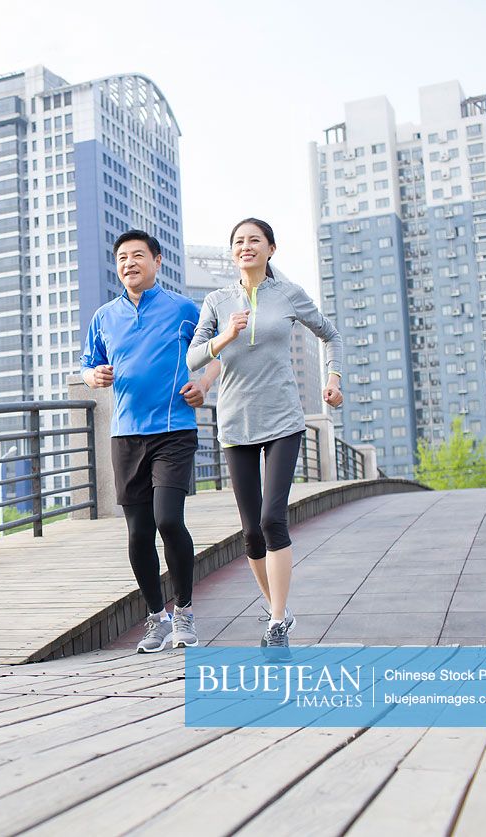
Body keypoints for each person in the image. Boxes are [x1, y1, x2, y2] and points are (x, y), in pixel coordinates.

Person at [186, 218, 343, 659]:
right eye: (238, 241)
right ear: (231, 252)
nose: (246, 246)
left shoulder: (288, 294)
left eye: (254, 240)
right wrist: (225, 335)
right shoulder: (217, 301)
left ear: (271, 248)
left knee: (274, 519)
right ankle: (279, 608)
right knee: (251, 531)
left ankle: (275, 623)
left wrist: (333, 378)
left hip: (283, 422)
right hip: (236, 426)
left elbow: (331, 335)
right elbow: (193, 356)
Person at [82, 230, 220, 653]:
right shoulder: (104, 317)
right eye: (122, 258)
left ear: (157, 261)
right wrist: (93, 377)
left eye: (138, 255)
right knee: (138, 533)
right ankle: (156, 618)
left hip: (174, 430)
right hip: (125, 434)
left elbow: (215, 352)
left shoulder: (182, 308)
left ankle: (185, 614)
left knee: (167, 519)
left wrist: (203, 386)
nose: (129, 263)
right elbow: (90, 365)